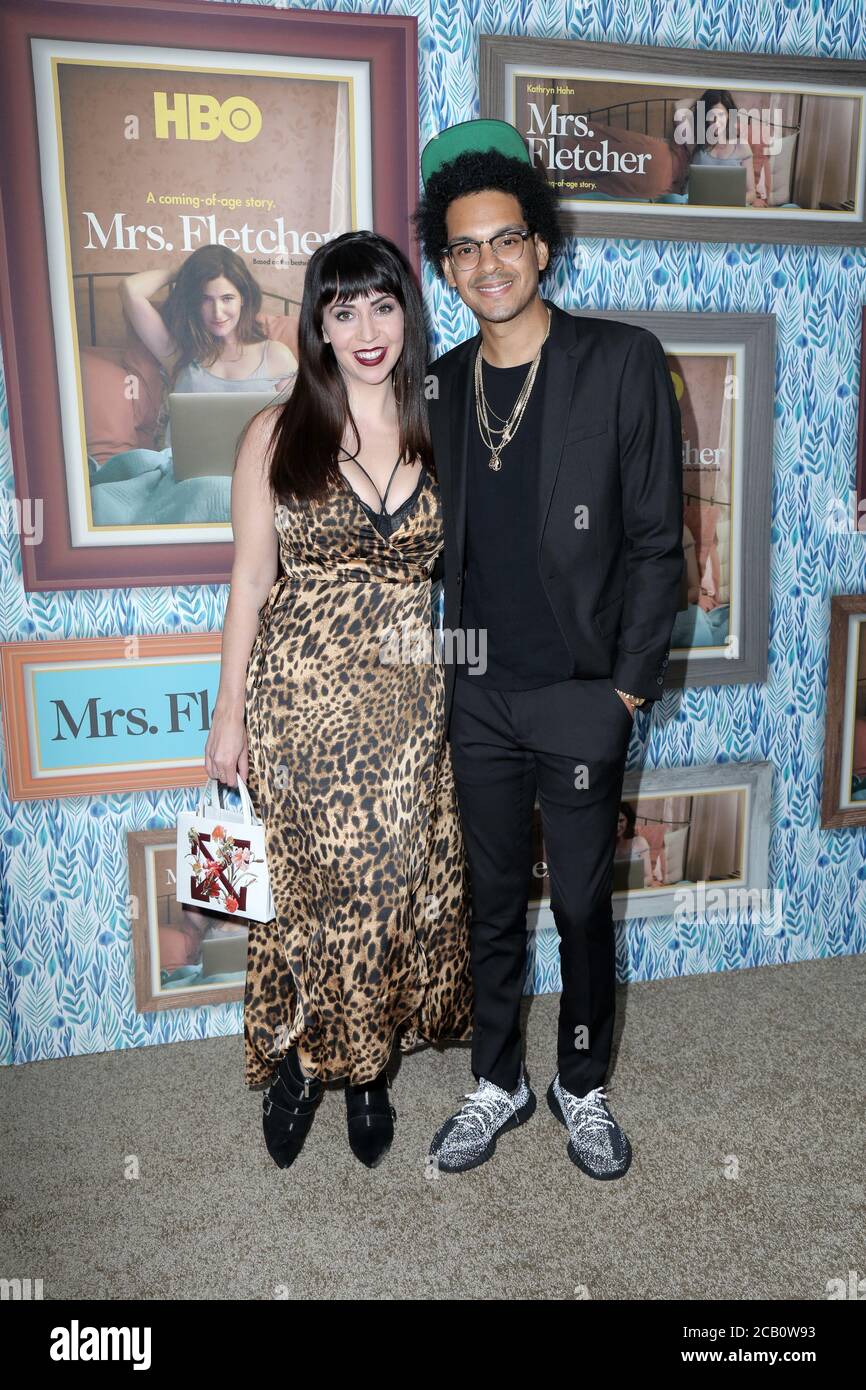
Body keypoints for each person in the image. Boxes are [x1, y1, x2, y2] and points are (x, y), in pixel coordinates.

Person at [412, 119, 684, 1179]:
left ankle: (580, 1080)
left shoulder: (620, 361)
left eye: (505, 240)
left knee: (576, 902)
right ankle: (498, 1079)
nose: (487, 263)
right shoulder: (436, 383)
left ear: (540, 246)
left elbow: (662, 545)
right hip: (476, 692)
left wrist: (623, 692)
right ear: (446, 265)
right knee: (488, 900)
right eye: (464, 248)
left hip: (580, 692)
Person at [203, 230, 473, 1170]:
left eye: (383, 304)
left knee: (385, 901)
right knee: (306, 898)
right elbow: (247, 581)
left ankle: (364, 1071)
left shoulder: (448, 421)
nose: (367, 328)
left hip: (406, 711)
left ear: (408, 311)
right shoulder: (274, 433)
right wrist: (227, 711)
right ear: (318, 323)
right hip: (298, 707)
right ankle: (303, 1067)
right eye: (343, 307)